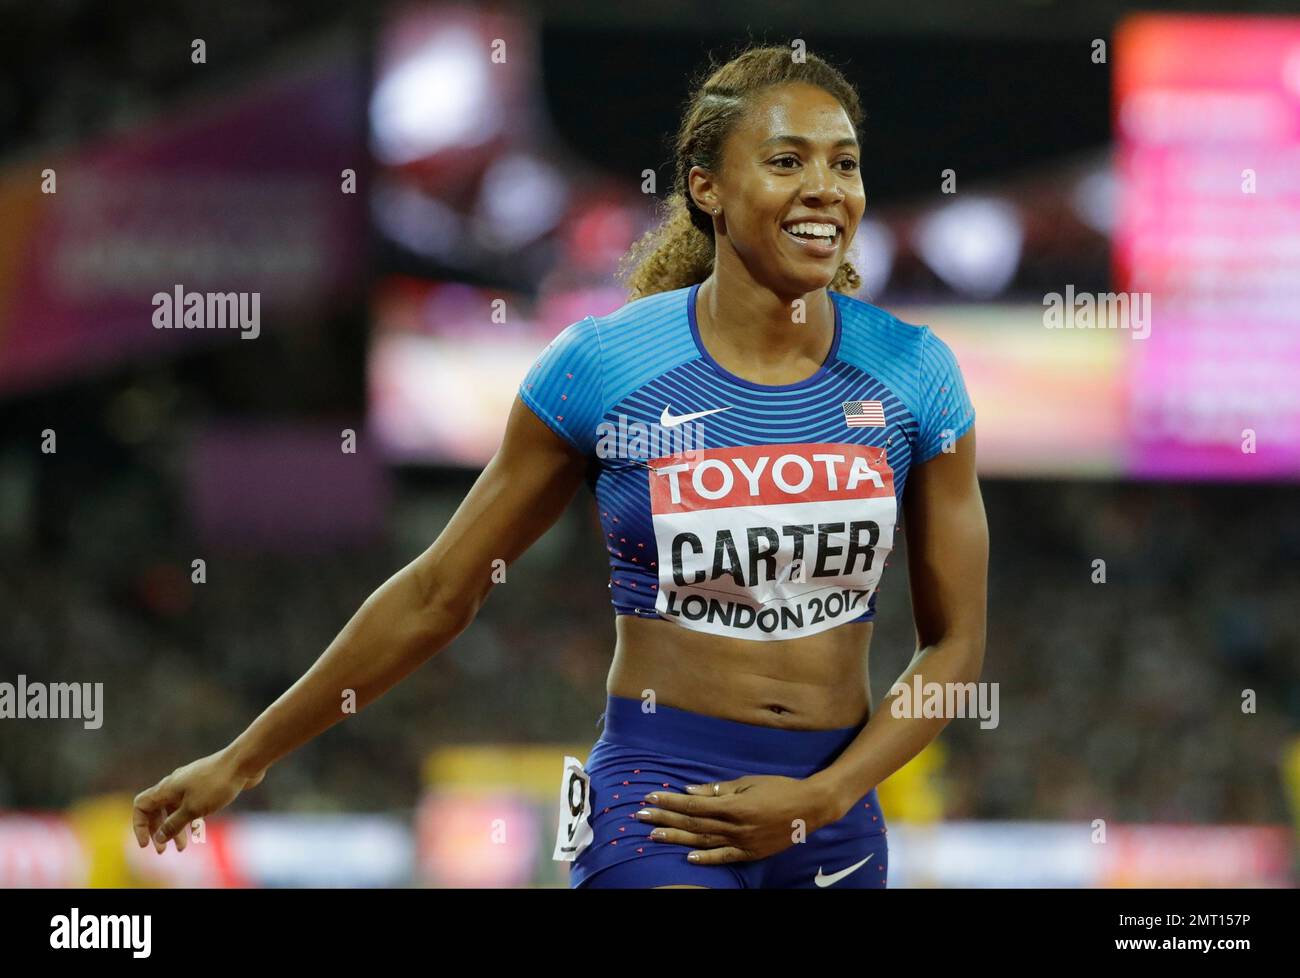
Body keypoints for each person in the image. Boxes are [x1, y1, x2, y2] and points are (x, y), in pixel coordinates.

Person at [133, 44, 988, 890]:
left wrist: (826, 794)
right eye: (786, 160)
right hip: (662, 797)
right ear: (707, 188)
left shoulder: (915, 374)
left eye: (844, 163)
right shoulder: (602, 369)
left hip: (833, 811)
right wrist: (243, 761)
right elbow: (438, 593)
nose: (824, 188)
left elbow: (954, 643)